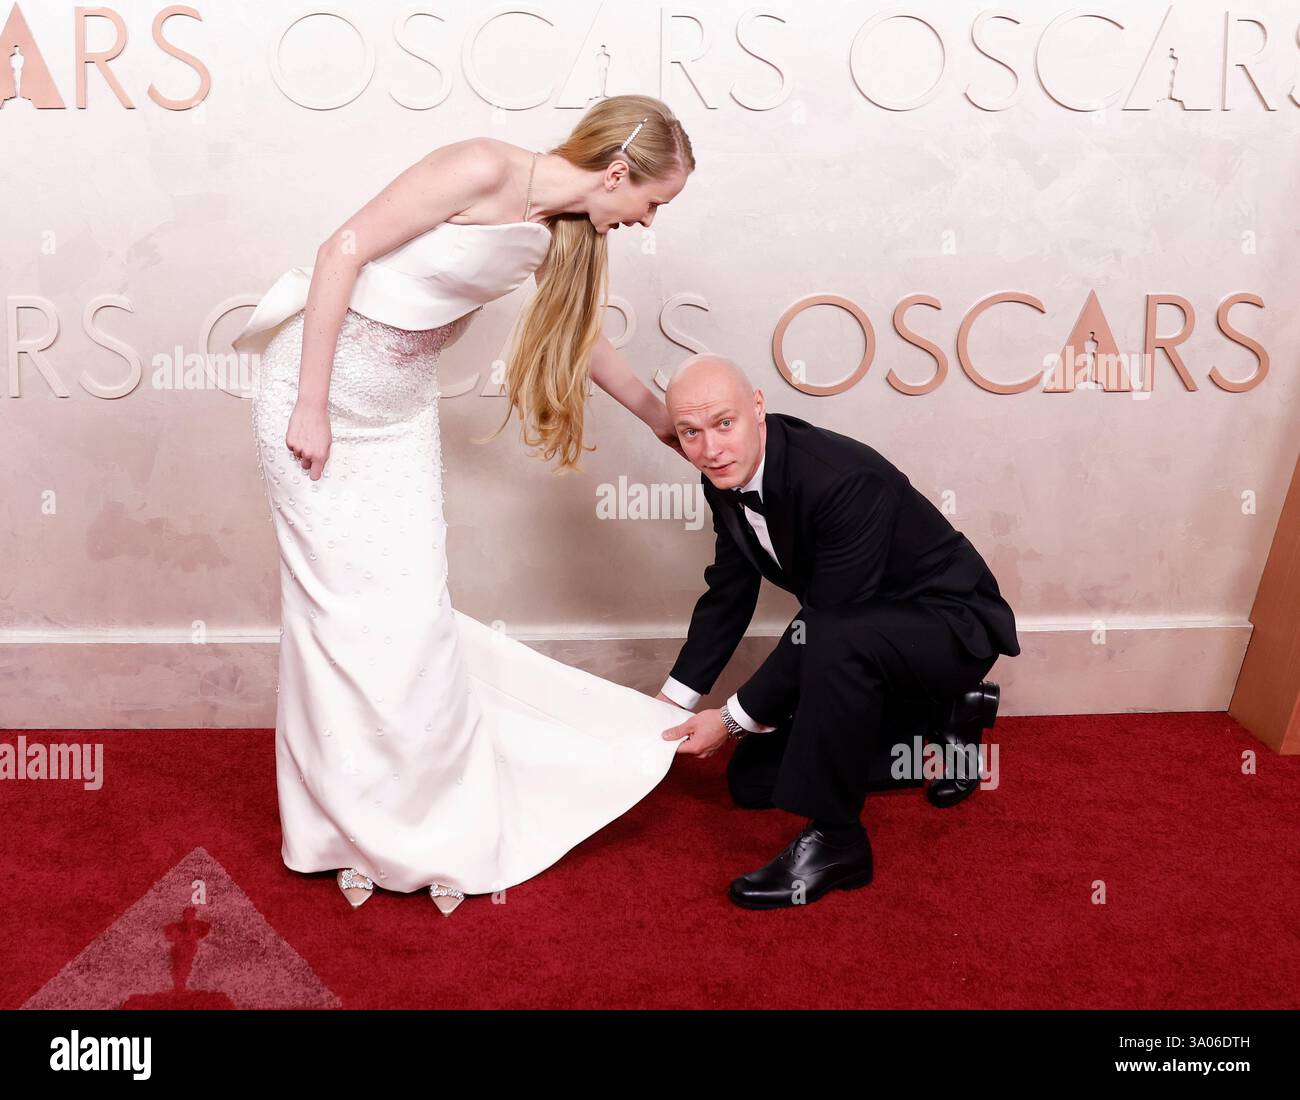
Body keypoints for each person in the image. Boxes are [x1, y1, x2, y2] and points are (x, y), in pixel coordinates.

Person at [236, 96, 695, 914]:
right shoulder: (484, 166)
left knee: (410, 613)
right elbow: (340, 250)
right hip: (317, 404)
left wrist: (659, 420)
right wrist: (310, 402)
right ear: (619, 173)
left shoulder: (563, 235)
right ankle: (336, 829)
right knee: (333, 618)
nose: (647, 221)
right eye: (652, 202)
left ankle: (419, 819)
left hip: (401, 417)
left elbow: (585, 339)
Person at [657, 354, 1020, 910]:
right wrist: (671, 702)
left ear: (757, 408)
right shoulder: (724, 479)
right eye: (691, 433)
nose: (710, 449)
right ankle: (946, 721)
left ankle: (837, 840)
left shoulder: (841, 477)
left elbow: (827, 620)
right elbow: (730, 591)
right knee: (753, 782)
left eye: (723, 423)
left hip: (949, 626)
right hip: (863, 635)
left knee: (832, 634)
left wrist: (730, 720)